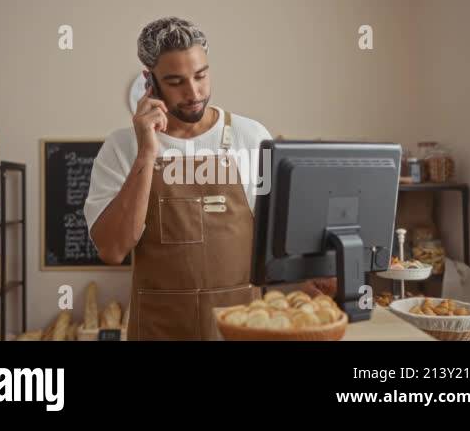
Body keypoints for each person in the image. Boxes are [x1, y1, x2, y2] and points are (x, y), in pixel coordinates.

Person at [84, 17, 334, 340]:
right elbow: (113, 248)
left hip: (242, 327)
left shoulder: (253, 138)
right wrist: (147, 151)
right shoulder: (121, 147)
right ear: (150, 82)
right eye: (175, 82)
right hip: (159, 331)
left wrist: (313, 275)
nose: (193, 92)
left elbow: (279, 240)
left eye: (200, 75)